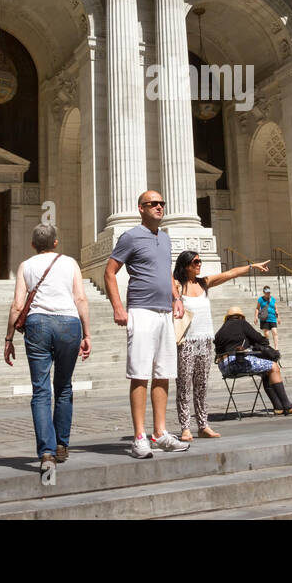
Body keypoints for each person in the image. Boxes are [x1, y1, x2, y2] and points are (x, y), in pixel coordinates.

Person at [104, 190, 188, 458]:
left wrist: (176, 297)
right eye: (153, 204)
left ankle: (160, 432)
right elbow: (109, 271)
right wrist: (118, 307)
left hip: (165, 312)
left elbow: (166, 272)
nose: (160, 207)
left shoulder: (164, 238)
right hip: (140, 311)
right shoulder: (130, 237)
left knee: (163, 373)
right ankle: (139, 436)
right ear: (141, 208)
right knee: (140, 374)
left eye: (162, 203)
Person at [4, 223, 92, 477]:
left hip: (38, 324)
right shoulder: (70, 263)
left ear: (33, 245)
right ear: (56, 243)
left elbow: (17, 304)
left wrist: (9, 338)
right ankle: (62, 444)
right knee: (63, 387)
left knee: (41, 390)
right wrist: (87, 333)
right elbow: (81, 299)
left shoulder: (26, 266)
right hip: (69, 323)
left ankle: (46, 452)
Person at [174, 252, 270, 441]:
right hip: (186, 342)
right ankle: (185, 427)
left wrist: (251, 267)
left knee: (201, 385)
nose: (200, 264)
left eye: (200, 261)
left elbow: (230, 274)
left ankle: (203, 425)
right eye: (196, 262)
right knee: (184, 386)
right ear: (186, 265)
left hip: (205, 341)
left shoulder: (203, 283)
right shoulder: (177, 286)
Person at [213, 307, 292, 415]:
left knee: (267, 372)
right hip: (237, 362)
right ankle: (287, 405)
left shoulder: (220, 331)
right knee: (273, 367)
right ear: (240, 317)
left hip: (224, 367)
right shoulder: (241, 323)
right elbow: (260, 339)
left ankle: (278, 407)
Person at [256, 285, 279, 350]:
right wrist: (256, 317)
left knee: (275, 332)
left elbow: (276, 308)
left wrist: (278, 317)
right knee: (266, 333)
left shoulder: (273, 299)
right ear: (264, 292)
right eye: (266, 292)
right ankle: (268, 346)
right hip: (264, 319)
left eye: (269, 292)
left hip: (272, 318)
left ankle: (276, 348)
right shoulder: (260, 299)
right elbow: (257, 308)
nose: (268, 293)